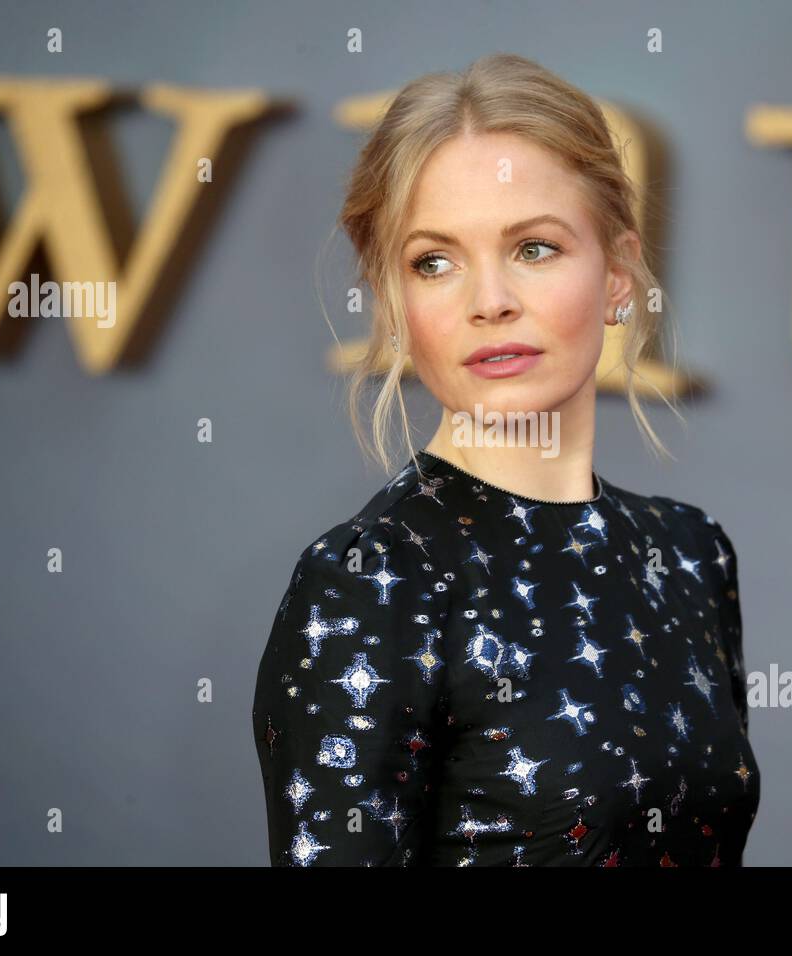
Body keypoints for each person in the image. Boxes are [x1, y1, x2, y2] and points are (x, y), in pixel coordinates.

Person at [251, 53, 758, 866]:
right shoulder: (372, 582)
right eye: (434, 262)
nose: (489, 300)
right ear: (391, 301)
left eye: (534, 248)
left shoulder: (690, 554)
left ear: (619, 272)